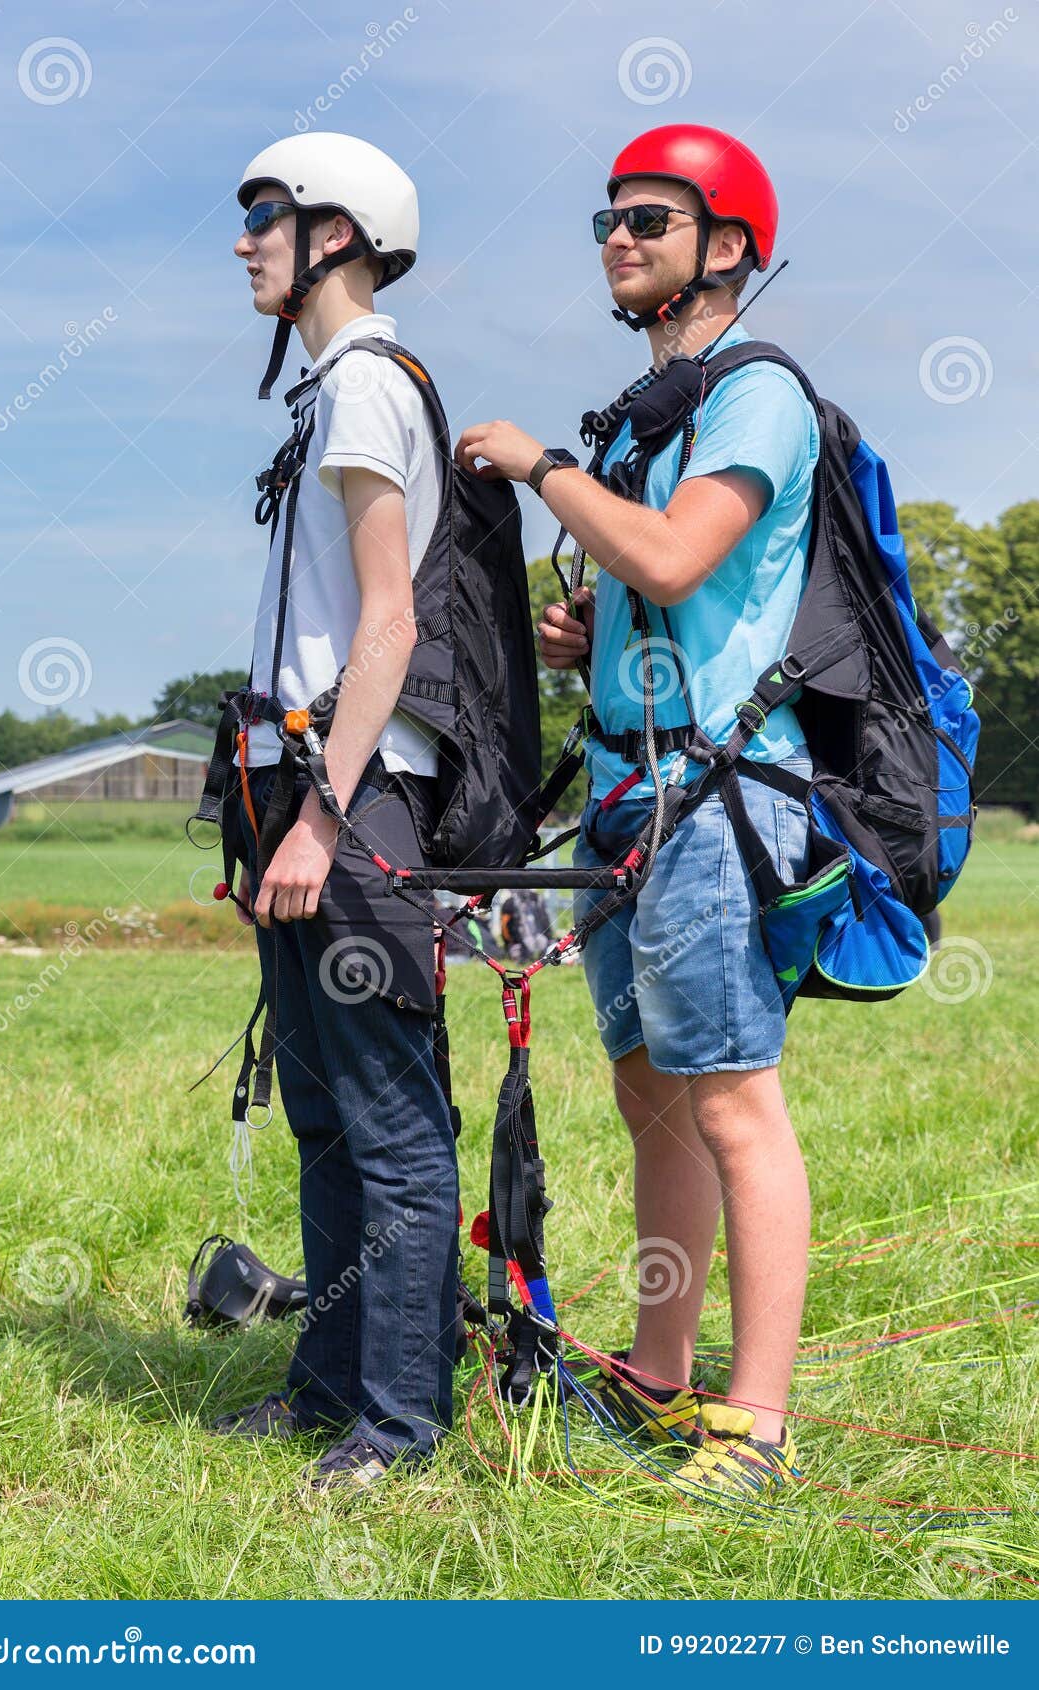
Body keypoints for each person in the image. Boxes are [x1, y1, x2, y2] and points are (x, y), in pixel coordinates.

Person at [454, 124, 818, 1497]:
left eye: (649, 219)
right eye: (607, 218)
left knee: (732, 1104)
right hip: (622, 792)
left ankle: (756, 1427)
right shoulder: (644, 411)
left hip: (713, 797)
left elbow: (677, 551)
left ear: (726, 247)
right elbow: (655, 587)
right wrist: (586, 634)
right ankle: (661, 1383)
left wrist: (543, 467)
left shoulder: (758, 396)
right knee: (649, 1097)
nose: (616, 236)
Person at [211, 133, 459, 1495]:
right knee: (321, 1110)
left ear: (336, 236)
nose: (244, 240)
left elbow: (390, 617)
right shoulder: (321, 396)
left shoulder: (364, 387)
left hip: (352, 812)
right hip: (307, 803)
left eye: (265, 215)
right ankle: (328, 1392)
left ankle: (400, 1432)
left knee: (393, 1127)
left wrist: (318, 819)